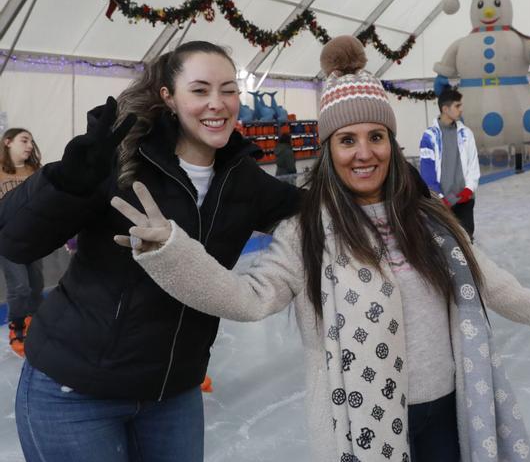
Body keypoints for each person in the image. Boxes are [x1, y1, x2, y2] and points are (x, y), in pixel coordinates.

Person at [114, 36, 530, 462]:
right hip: (363, 419)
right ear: (329, 150)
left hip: (446, 409)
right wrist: (174, 252)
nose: (364, 153)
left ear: (391, 143)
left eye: (376, 136)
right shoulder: (308, 229)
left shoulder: (429, 221)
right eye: (347, 140)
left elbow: (486, 278)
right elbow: (250, 298)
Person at [0, 41, 303, 462]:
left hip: (173, 392)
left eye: (228, 90)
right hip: (76, 391)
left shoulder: (243, 179)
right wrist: (65, 182)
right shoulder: (122, 160)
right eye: (199, 90)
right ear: (169, 96)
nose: (217, 103)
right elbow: (15, 240)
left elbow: (317, 212)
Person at [0, 128, 44, 357]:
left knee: (36, 286)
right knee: (20, 287)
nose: (29, 146)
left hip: (33, 238)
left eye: (31, 141)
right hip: (8, 239)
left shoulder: (35, 171)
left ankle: (33, 325)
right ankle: (17, 326)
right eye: (24, 140)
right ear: (8, 142)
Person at [418, 88, 480, 239]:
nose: (461, 109)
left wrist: (468, 189)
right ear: (445, 109)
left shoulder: (466, 134)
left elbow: (473, 165)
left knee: (467, 240)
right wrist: (439, 198)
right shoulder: (429, 137)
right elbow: (427, 173)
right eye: (457, 106)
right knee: (446, 243)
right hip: (442, 204)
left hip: (464, 200)